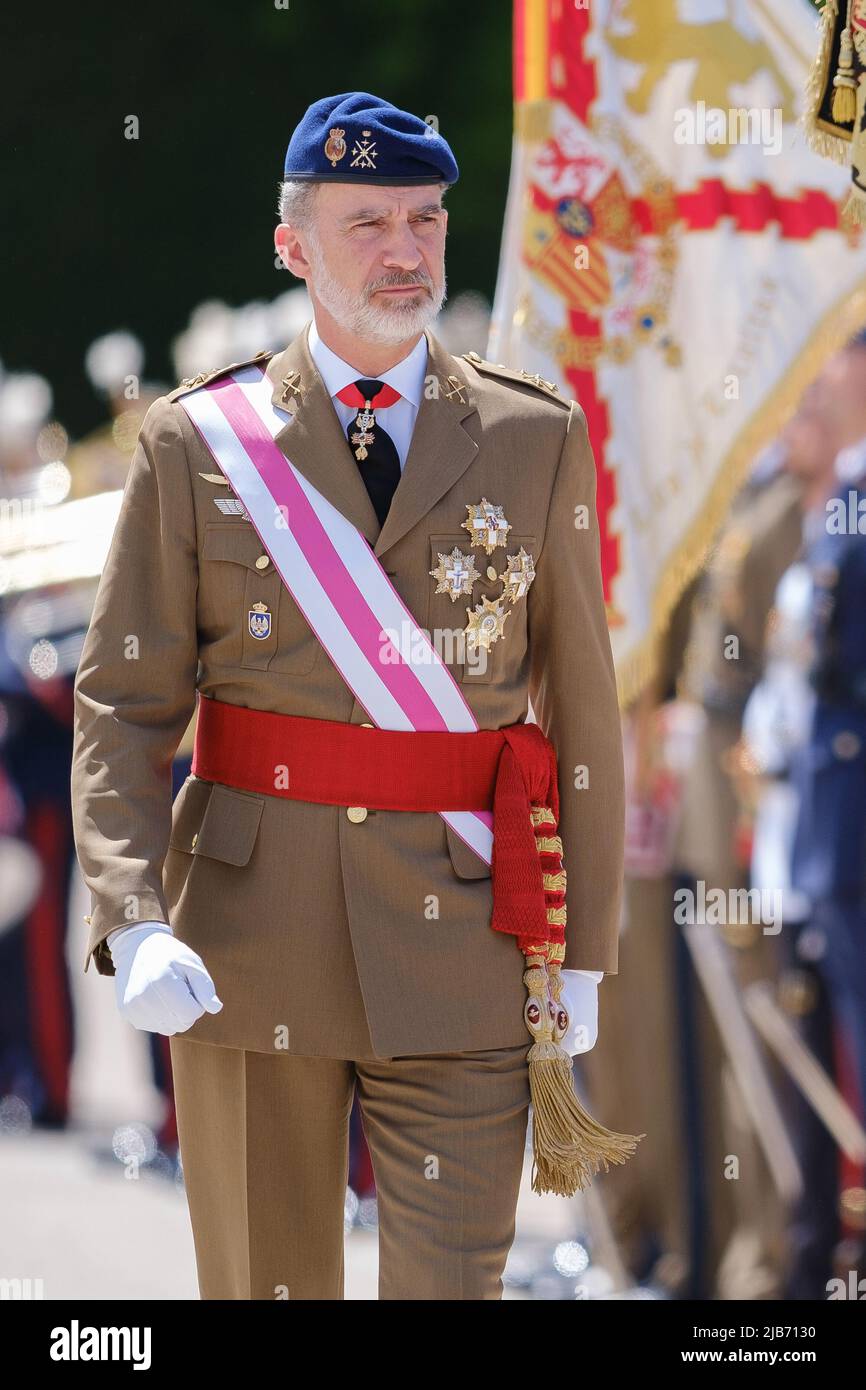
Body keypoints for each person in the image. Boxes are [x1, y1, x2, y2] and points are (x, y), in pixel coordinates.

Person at [71, 91, 633, 1300]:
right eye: (366, 221)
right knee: (267, 1286)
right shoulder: (197, 442)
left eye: (424, 220)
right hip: (242, 932)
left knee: (449, 1289)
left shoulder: (532, 436)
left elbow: (584, 713)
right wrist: (130, 915)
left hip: (468, 930)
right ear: (293, 247)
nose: (404, 250)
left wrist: (583, 951)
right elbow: (123, 702)